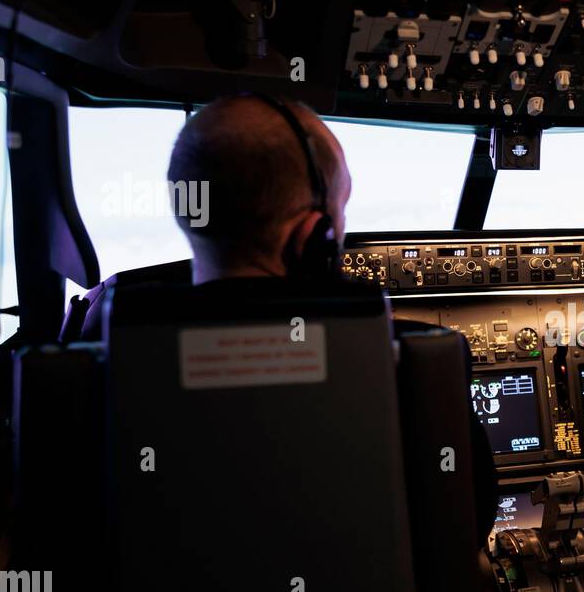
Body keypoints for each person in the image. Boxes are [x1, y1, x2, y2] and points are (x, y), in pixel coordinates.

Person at [164, 94, 497, 535]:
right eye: (341, 209)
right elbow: (464, 536)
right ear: (314, 233)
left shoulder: (115, 365)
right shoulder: (415, 366)